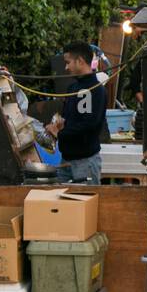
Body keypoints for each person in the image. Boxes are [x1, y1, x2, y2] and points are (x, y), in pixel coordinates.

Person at [46, 42, 108, 186]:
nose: (66, 67)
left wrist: (59, 133)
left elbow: (89, 124)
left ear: (80, 61)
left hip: (85, 161)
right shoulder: (73, 87)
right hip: (66, 159)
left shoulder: (96, 89)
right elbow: (70, 118)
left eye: (68, 62)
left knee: (86, 204)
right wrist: (59, 124)